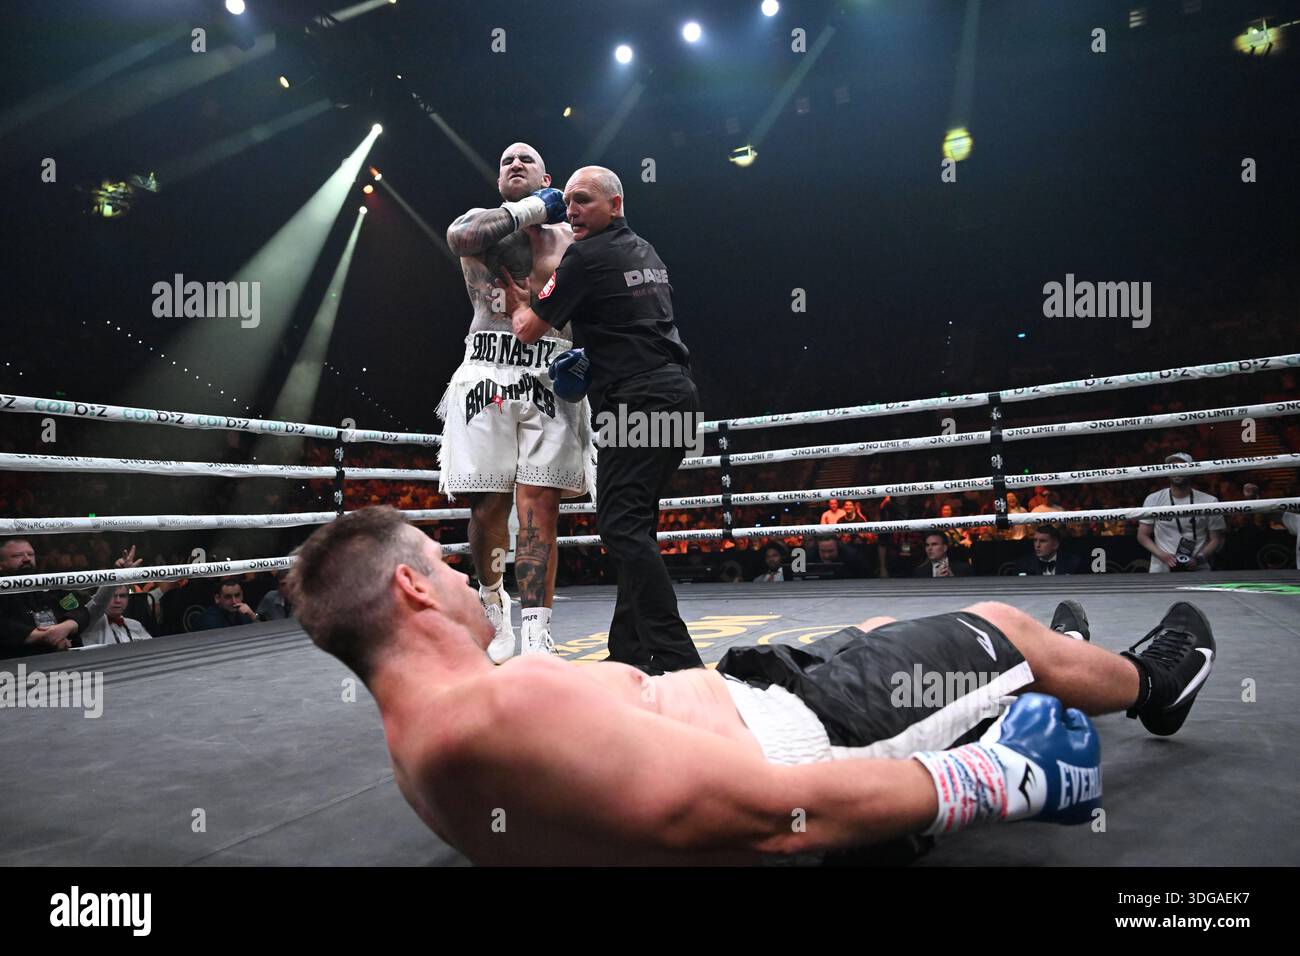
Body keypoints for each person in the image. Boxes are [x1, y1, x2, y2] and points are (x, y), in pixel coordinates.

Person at [286, 507, 1217, 866]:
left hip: (779, 700)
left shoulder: (420, 750)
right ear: (411, 588)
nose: (462, 577)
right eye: (444, 565)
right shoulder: (500, 708)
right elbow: (765, 815)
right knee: (1001, 629)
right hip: (813, 734)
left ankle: (1020, 679)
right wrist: (1006, 780)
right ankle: (1150, 684)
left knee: (906, 636)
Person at [503, 165, 702, 675]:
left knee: (620, 527)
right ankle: (630, 652)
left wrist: (517, 297)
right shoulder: (646, 251)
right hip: (677, 398)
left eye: (584, 201)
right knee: (635, 526)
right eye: (567, 201)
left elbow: (527, 330)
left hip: (639, 403)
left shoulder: (584, 257)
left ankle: (679, 660)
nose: (571, 210)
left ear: (616, 204)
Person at [441, 142, 592, 662]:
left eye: (526, 160)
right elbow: (460, 238)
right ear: (500, 179)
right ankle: (491, 605)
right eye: (506, 161)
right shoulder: (479, 224)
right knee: (488, 507)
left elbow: (597, 300)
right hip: (487, 371)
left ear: (547, 176)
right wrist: (530, 209)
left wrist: (589, 358)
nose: (515, 165)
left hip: (552, 376)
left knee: (540, 508)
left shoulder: (572, 239)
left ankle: (537, 631)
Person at [0, 539, 141, 657]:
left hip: (69, 664)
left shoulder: (50, 588)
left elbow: (84, 610)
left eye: (30, 554)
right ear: (1, 564)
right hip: (20, 668)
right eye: (17, 556)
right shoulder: (4, 595)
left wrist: (66, 627)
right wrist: (45, 636)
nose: (26, 559)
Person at [1137, 452, 1226, 572]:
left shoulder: (1210, 501)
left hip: (1198, 567)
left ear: (1191, 471)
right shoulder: (1153, 499)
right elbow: (1142, 535)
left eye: (1182, 467)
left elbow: (1216, 539)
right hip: (1162, 568)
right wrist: (1163, 555)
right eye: (1172, 468)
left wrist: (1199, 558)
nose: (1177, 471)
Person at [81, 587, 152, 645]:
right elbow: (97, 604)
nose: (118, 601)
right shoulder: (91, 622)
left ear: (128, 599)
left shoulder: (136, 625)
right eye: (112, 596)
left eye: (122, 596)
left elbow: (150, 647)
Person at [1015, 525, 1085, 575]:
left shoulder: (1073, 563)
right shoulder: (1024, 564)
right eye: (1035, 540)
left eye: (1043, 541)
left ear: (1055, 544)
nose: (1037, 545)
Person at [194, 579, 258, 630]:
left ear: (242, 595)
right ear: (217, 598)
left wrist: (253, 616)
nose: (234, 601)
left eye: (237, 595)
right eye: (228, 597)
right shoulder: (209, 620)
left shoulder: (245, 613)